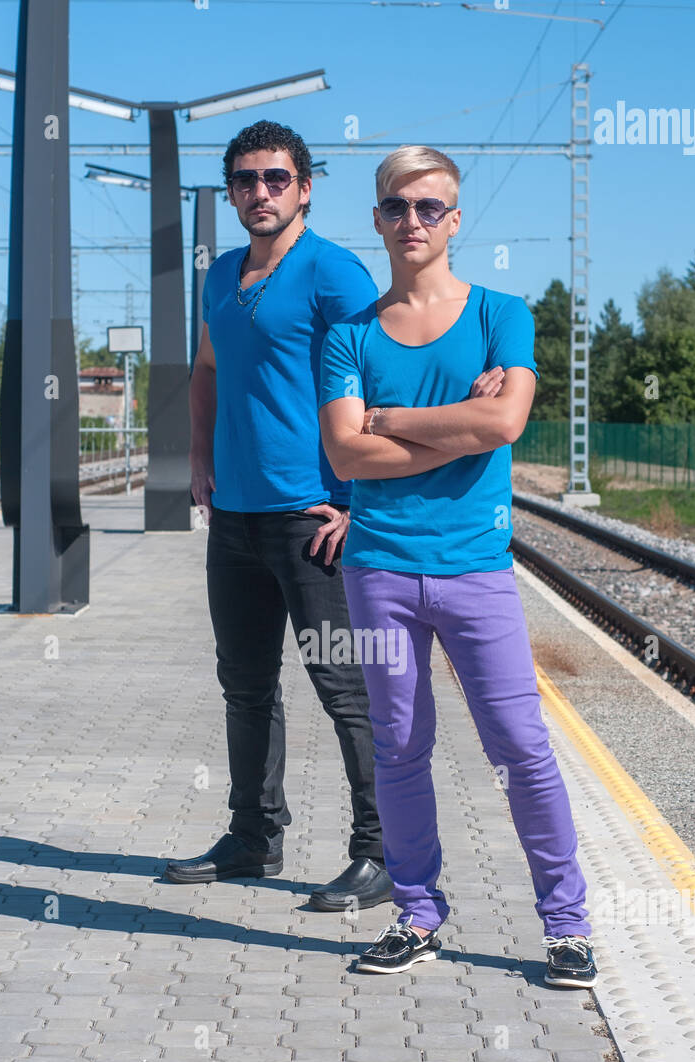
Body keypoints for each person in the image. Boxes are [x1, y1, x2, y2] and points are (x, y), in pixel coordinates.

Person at [318, 144, 596, 986]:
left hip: (476, 567)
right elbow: (345, 453)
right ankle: (416, 913)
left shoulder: (501, 314)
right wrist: (445, 424)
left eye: (429, 207)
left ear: (454, 219)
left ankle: (566, 926)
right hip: (379, 569)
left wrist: (392, 420)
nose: (413, 221)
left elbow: (504, 426)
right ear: (375, 219)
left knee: (520, 746)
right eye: (397, 207)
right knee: (399, 747)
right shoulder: (348, 334)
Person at [164, 120, 394, 913]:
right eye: (244, 179)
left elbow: (380, 377)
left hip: (313, 517)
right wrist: (199, 458)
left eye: (275, 178)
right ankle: (253, 837)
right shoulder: (221, 276)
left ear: (303, 187)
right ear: (229, 190)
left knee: (345, 688)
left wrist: (361, 503)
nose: (259, 192)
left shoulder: (335, 272)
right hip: (235, 520)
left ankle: (380, 850)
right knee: (245, 684)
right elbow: (206, 369)